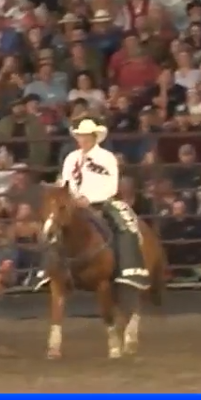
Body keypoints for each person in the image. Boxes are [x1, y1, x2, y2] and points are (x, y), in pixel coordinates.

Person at [54, 119, 149, 290]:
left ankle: (130, 270)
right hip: (72, 204)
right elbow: (65, 183)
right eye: (80, 136)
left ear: (94, 137)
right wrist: (70, 197)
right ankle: (48, 272)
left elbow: (111, 186)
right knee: (51, 225)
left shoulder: (106, 158)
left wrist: (89, 200)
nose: (83, 139)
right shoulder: (71, 158)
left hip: (101, 202)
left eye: (86, 136)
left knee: (125, 225)